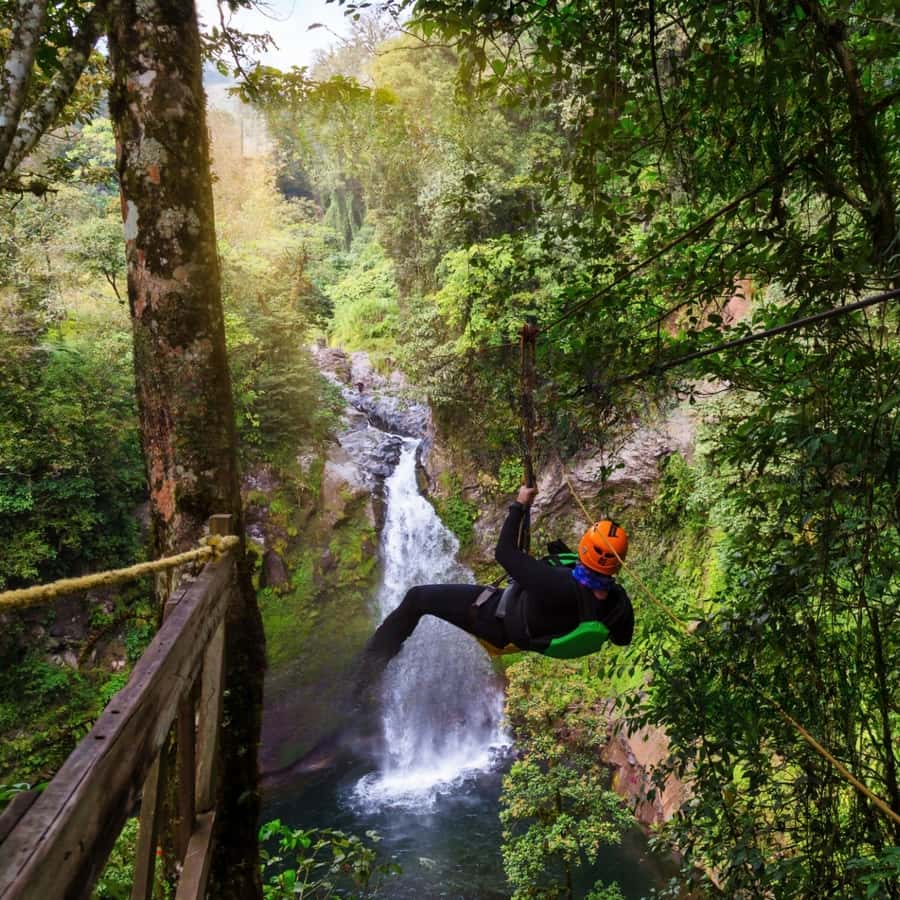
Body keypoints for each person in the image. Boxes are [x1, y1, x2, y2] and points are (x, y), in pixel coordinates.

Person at [356, 484, 634, 686]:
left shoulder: (556, 583)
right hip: (531, 631)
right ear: (618, 562)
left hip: (496, 620)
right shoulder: (619, 602)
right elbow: (622, 638)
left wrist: (520, 504)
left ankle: (369, 667)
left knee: (418, 597)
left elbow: (504, 552)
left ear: (585, 548)